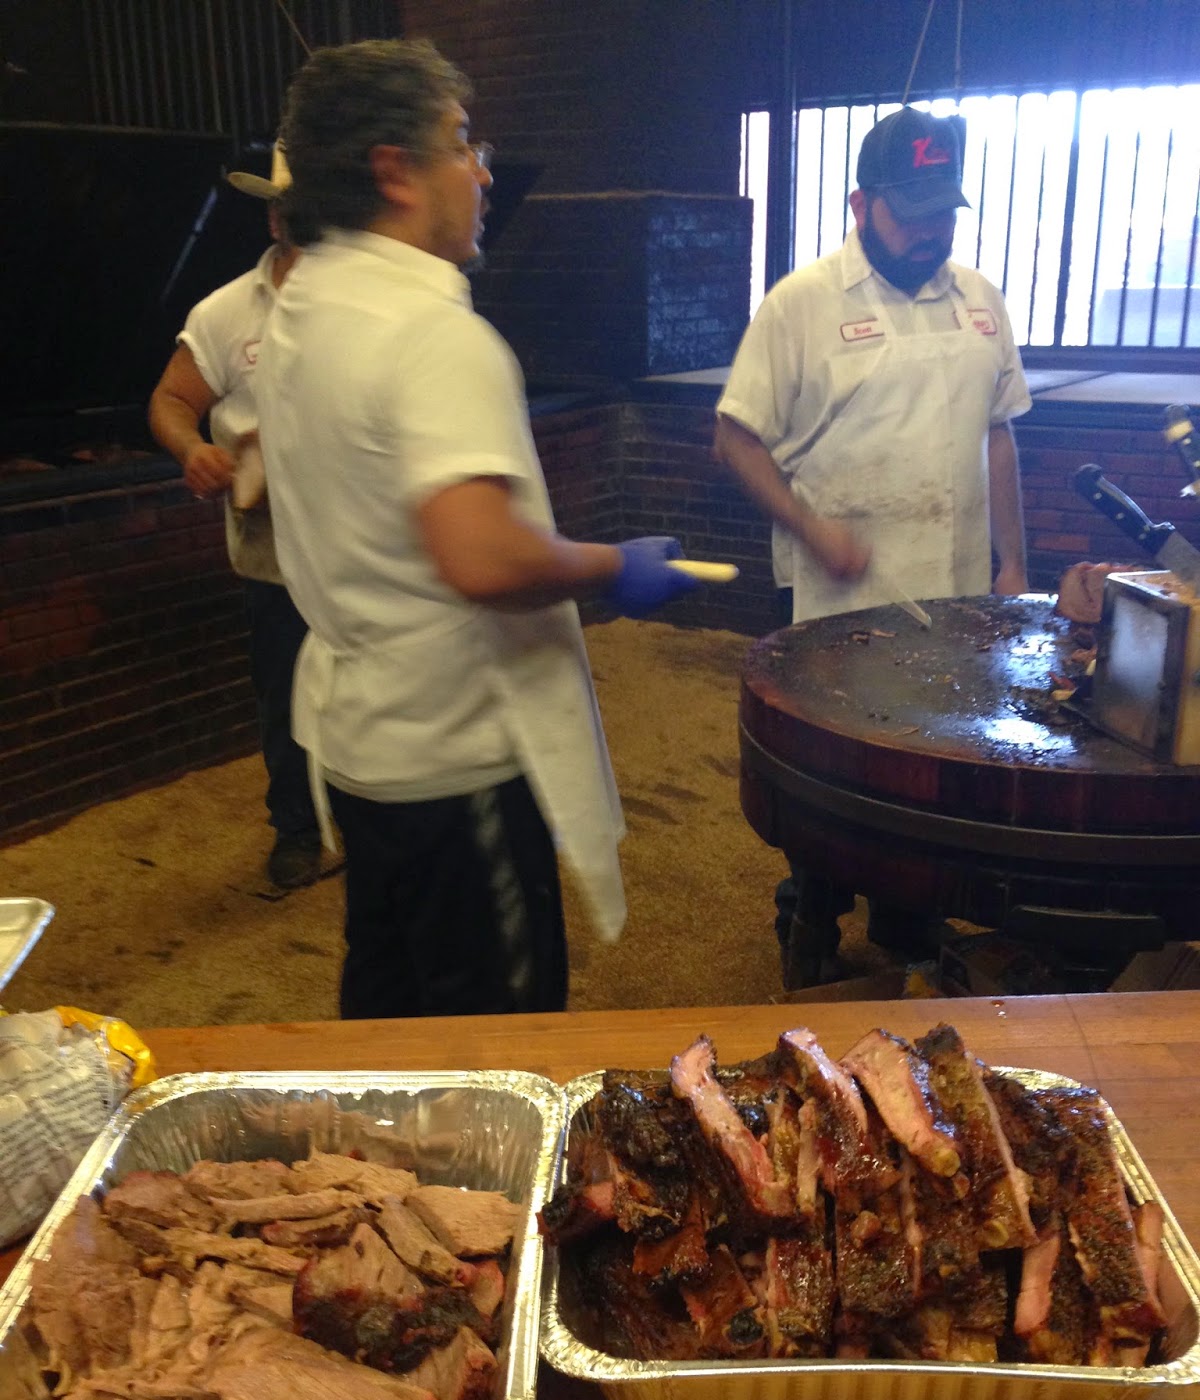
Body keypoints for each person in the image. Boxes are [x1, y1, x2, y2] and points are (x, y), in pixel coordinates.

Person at [254, 38, 698, 1020]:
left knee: (387, 1007)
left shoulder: (304, 305)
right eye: (461, 142)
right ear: (394, 170)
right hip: (456, 753)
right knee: (498, 1032)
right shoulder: (431, 334)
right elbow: (482, 555)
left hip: (366, 742)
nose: (483, 169)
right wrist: (613, 566)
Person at [714, 105, 1033, 979]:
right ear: (861, 204)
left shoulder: (980, 301)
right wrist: (812, 529)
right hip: (840, 602)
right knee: (835, 779)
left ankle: (908, 916)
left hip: (960, 592)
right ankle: (809, 917)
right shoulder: (803, 304)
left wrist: (1013, 562)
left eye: (943, 212)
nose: (930, 231)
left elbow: (1000, 433)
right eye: (910, 212)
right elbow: (734, 438)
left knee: (938, 763)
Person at [148, 144, 323, 891]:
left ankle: (374, 818)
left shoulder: (371, 306)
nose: (295, 215)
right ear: (272, 214)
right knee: (284, 695)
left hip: (367, 546)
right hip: (270, 551)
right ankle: (298, 831)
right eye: (285, 203)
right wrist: (193, 449)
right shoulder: (223, 312)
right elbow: (170, 400)